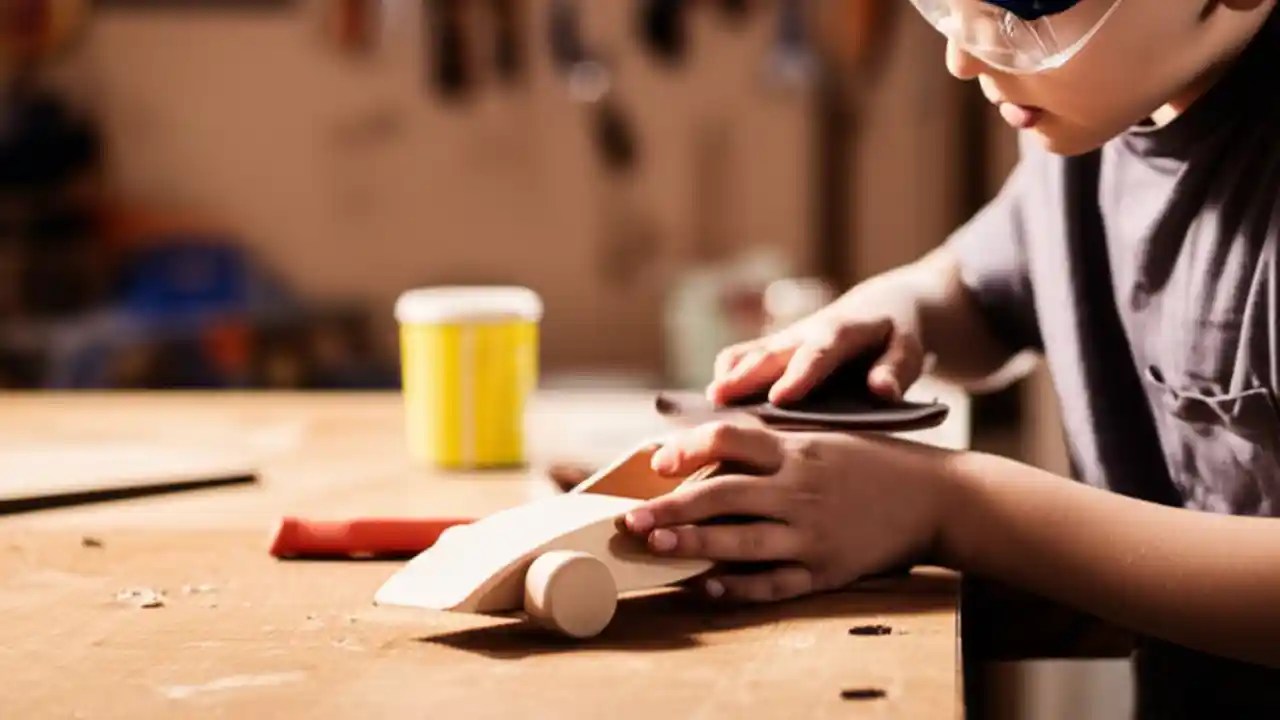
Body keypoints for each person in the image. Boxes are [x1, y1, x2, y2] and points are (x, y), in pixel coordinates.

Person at [621, 0, 1280, 714]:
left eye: (1018, 14)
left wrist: (951, 505)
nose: (961, 59)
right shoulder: (1107, 109)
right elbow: (979, 290)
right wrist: (895, 312)